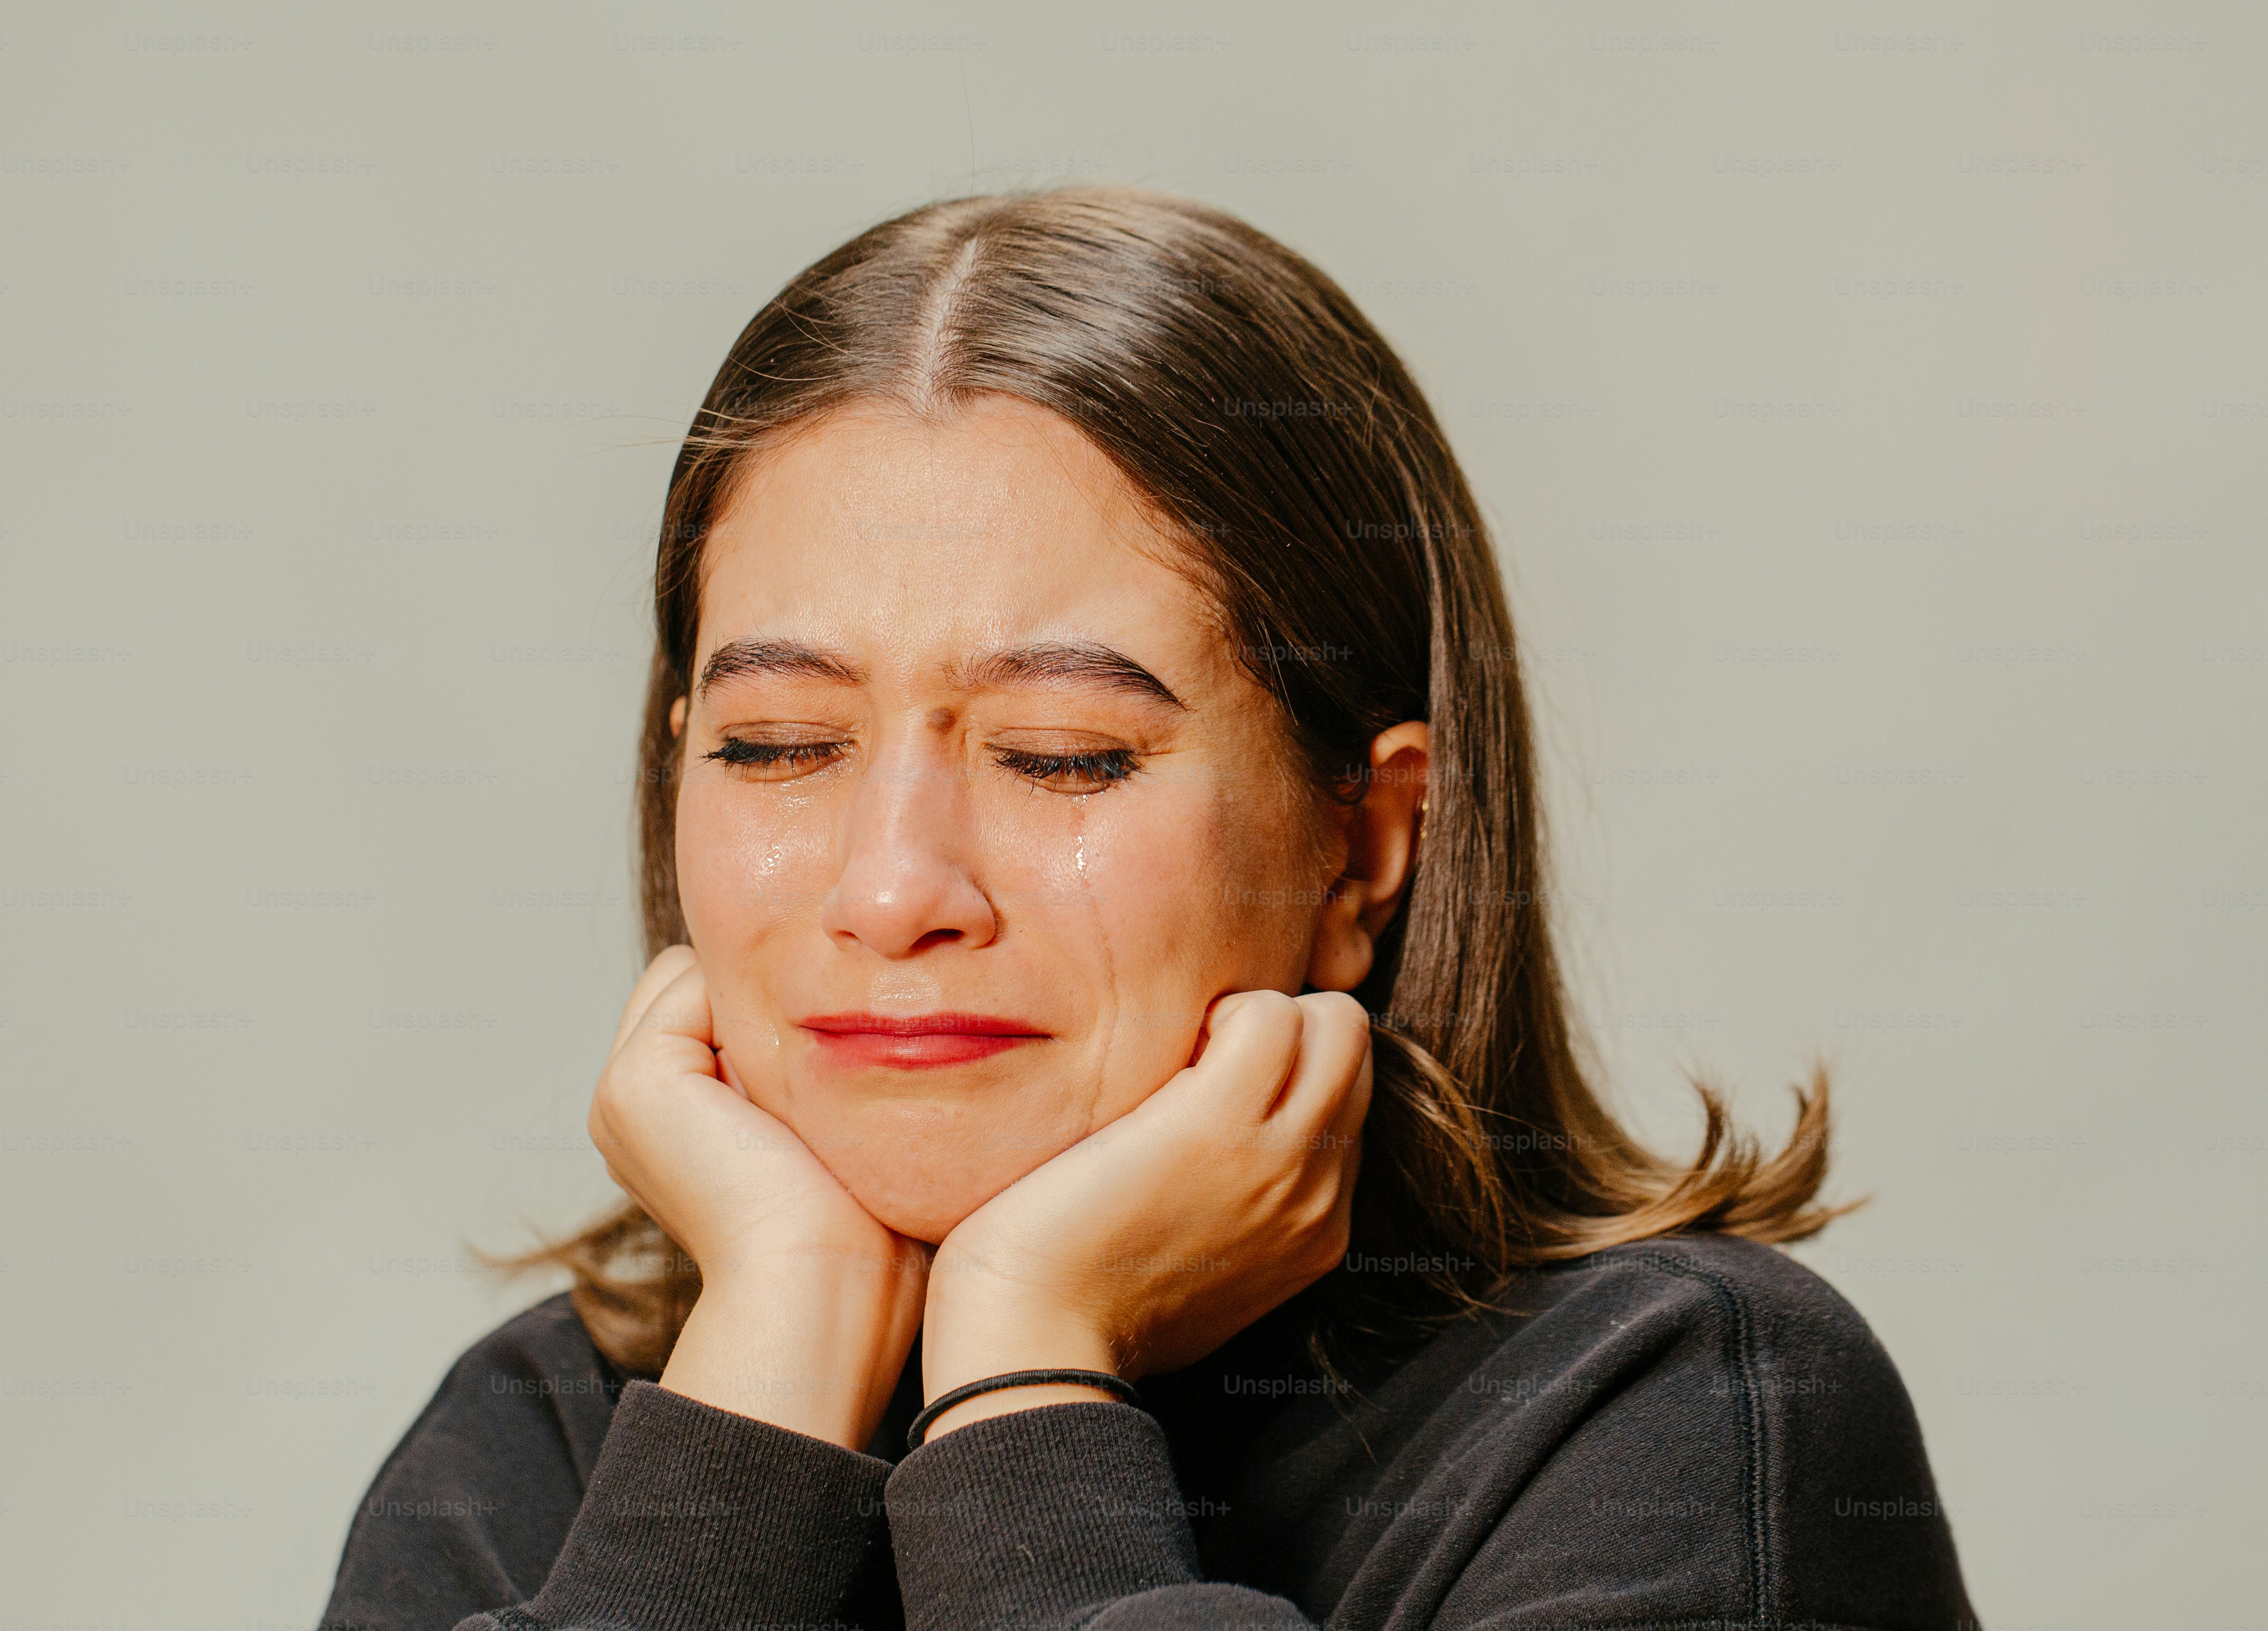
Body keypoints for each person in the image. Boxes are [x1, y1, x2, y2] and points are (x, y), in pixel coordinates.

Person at [321, 185, 1974, 1631]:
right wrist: (764, 1381)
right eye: (781, 744)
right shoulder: (536, 1445)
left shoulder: (1674, 1412)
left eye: (1064, 756)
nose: (894, 888)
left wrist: (1030, 1366)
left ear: (1366, 842)